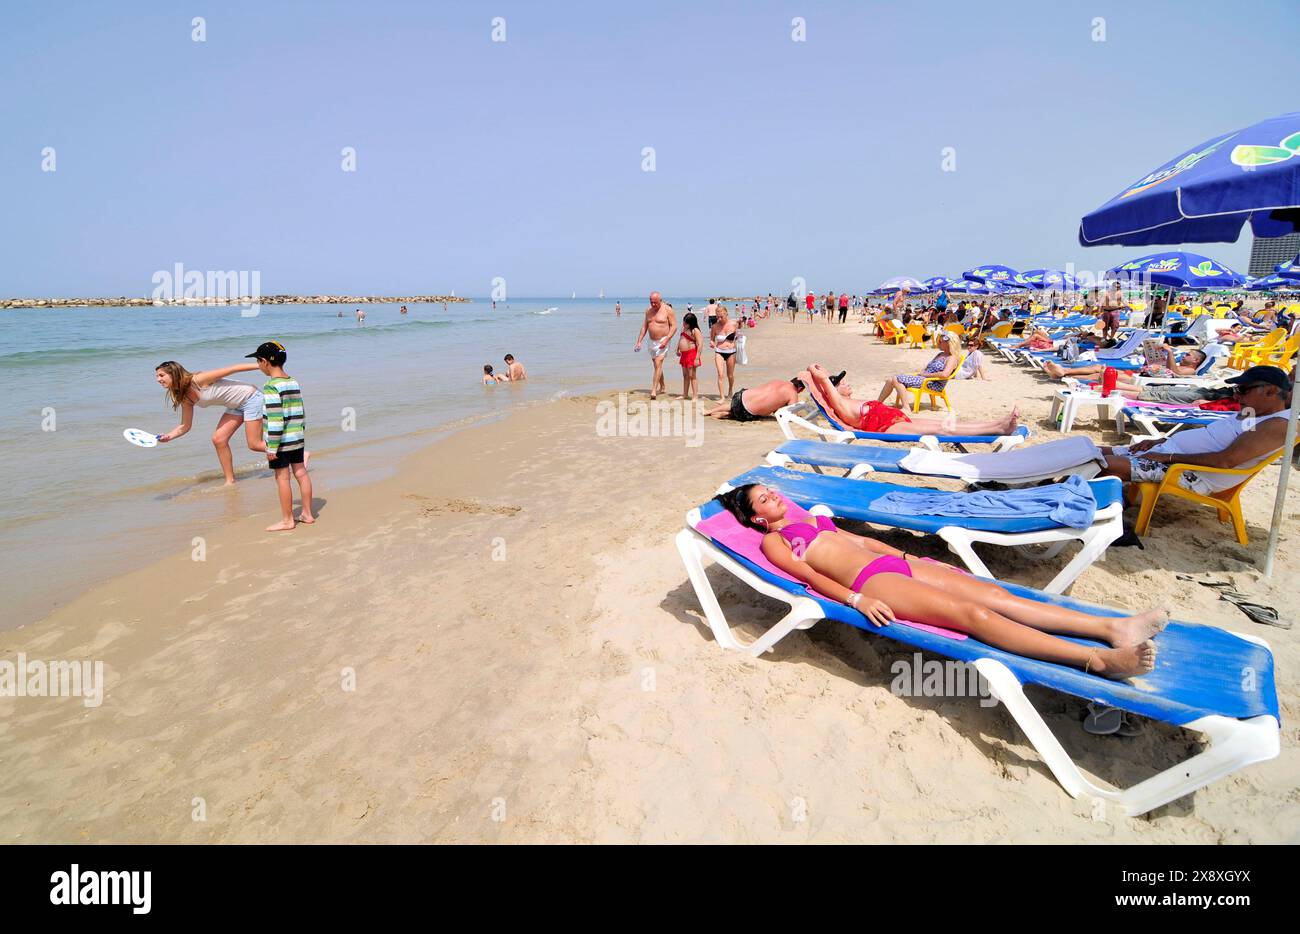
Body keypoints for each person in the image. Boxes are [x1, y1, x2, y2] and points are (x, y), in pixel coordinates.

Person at [716, 484, 1163, 677]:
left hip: (898, 566)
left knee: (992, 592)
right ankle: (1095, 660)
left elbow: (866, 543)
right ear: (757, 516)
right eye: (764, 499)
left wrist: (911, 555)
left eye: (770, 491)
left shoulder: (812, 520)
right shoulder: (774, 542)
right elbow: (810, 579)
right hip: (873, 585)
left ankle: (1111, 628)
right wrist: (854, 600)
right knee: (974, 614)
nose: (774, 495)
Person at [1097, 366, 1292, 501]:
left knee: (1101, 464)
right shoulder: (1253, 412)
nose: (1236, 395)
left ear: (1271, 391)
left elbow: (1226, 460)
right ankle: (1112, 496)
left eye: (1242, 389)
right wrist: (1162, 440)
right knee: (1092, 451)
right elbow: (1215, 437)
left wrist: (1167, 457)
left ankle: (1107, 500)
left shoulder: (1276, 425)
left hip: (1189, 473)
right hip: (1169, 456)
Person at [805, 363, 1018, 436]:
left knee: (946, 424)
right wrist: (822, 378)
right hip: (885, 427)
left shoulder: (850, 400)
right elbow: (827, 390)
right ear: (833, 391)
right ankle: (999, 429)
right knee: (942, 430)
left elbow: (830, 389)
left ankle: (998, 424)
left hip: (893, 418)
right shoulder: (842, 405)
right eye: (841, 384)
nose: (846, 384)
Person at [154, 360, 269, 485]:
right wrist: (169, 436)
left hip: (251, 398)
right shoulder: (184, 396)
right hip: (236, 405)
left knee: (255, 444)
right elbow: (185, 425)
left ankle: (290, 450)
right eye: (157, 376)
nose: (158, 379)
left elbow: (234, 368)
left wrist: (265, 367)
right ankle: (230, 481)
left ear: (174, 374)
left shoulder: (198, 380)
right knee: (218, 439)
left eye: (161, 375)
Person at [246, 341, 314, 532]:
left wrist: (271, 447)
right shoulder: (293, 381)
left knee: (282, 478)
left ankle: (287, 520)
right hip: (297, 438)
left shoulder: (271, 386)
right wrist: (300, 433)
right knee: (301, 473)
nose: (259, 366)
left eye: (258, 362)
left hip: (281, 442)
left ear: (265, 362)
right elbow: (301, 411)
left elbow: (276, 420)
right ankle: (307, 514)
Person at [877, 331, 961, 409]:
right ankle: (877, 404)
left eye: (941, 342)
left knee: (896, 379)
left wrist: (925, 375)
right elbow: (928, 368)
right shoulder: (941, 354)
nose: (938, 343)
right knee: (890, 380)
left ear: (949, 344)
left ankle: (906, 407)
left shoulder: (952, 358)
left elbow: (945, 375)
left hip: (933, 383)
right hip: (925, 379)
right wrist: (921, 373)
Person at [1042, 347, 1207, 382]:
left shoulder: (1190, 372)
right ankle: (1064, 372)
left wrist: (1170, 353)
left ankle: (1064, 373)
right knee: (1100, 368)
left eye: (1188, 355)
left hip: (1145, 383)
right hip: (1141, 376)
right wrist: (1150, 356)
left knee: (1103, 373)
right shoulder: (1179, 365)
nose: (1184, 356)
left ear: (1196, 361)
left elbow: (1175, 373)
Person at [702, 374, 808, 421]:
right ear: (800, 389)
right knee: (754, 413)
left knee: (733, 405)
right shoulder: (793, 394)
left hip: (741, 395)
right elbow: (790, 415)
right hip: (746, 412)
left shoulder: (778, 381)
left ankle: (708, 411)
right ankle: (726, 414)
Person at [633, 291, 676, 400]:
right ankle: (662, 386)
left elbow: (674, 326)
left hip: (663, 340)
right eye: (651, 302)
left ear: (660, 300)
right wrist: (639, 341)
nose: (653, 304)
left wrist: (667, 339)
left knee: (658, 363)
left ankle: (653, 390)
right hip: (651, 341)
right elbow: (644, 327)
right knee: (657, 366)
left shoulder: (668, 310)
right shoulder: (648, 311)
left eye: (655, 302)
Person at [710, 305, 740, 401]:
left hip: (731, 352)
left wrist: (739, 338)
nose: (719, 319)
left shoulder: (734, 324)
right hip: (719, 351)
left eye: (721, 317)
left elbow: (739, 334)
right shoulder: (714, 326)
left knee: (730, 375)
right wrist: (712, 343)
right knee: (720, 374)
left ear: (726, 314)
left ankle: (730, 390)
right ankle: (722, 397)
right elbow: (711, 339)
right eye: (717, 317)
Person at [677, 312, 704, 400]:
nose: (684, 324)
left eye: (686, 323)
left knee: (692, 376)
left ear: (691, 323)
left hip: (692, 354)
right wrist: (677, 349)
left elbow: (700, 344)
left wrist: (697, 358)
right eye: (684, 322)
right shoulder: (683, 329)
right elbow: (680, 338)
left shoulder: (695, 330)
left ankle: (695, 395)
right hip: (684, 355)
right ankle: (685, 394)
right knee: (685, 375)